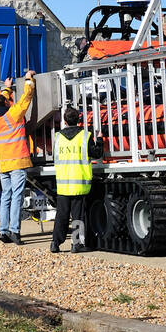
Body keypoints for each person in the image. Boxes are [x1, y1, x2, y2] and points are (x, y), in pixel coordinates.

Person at [0, 69, 36, 245]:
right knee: (17, 196)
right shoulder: (14, 114)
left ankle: (3, 231)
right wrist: (28, 78)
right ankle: (15, 232)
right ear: (7, 104)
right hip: (17, 161)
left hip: (4, 164)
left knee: (5, 196)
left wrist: (7, 89)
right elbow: (27, 96)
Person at [50, 107, 103, 254]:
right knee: (77, 216)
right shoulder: (85, 136)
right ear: (79, 120)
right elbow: (97, 154)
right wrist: (99, 139)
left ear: (65, 122)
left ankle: (55, 243)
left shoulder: (58, 137)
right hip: (79, 183)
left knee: (61, 215)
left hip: (63, 183)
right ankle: (76, 244)